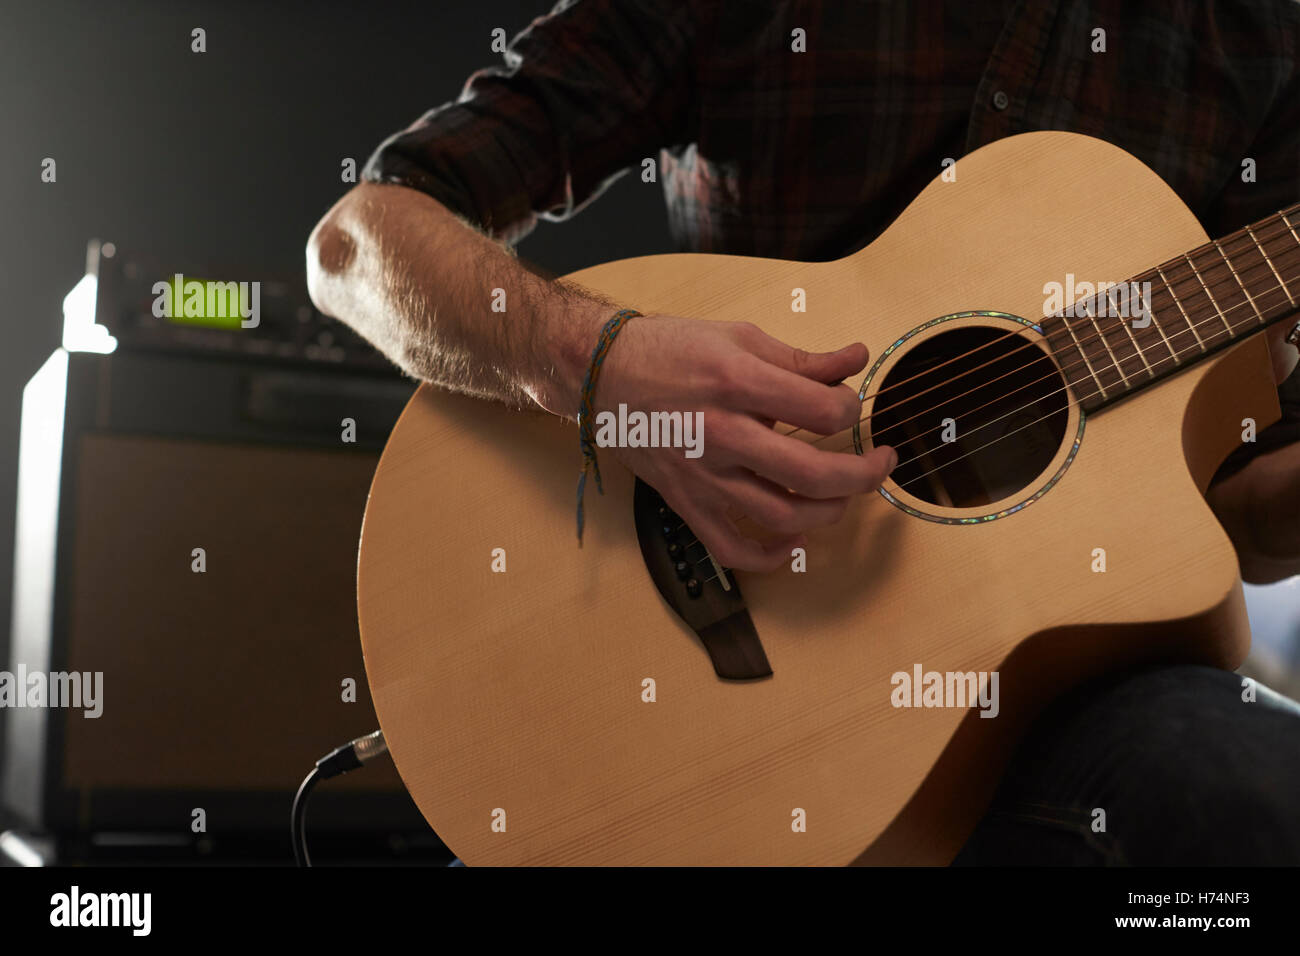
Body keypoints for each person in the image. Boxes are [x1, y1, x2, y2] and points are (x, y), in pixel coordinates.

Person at [306, 0, 1300, 864]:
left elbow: (1240, 517)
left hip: (1068, 689)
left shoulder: (1263, 34)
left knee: (1255, 791)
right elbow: (360, 240)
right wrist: (602, 366)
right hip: (702, 693)